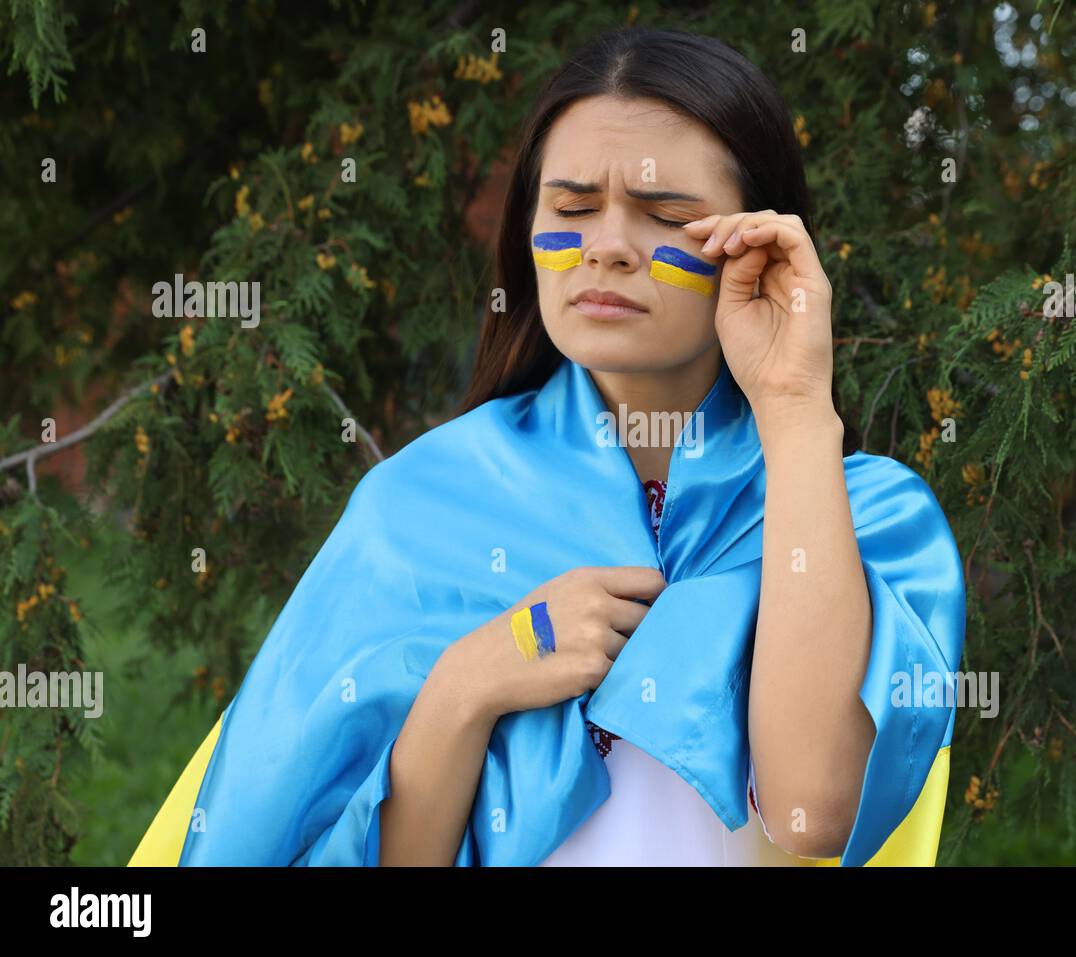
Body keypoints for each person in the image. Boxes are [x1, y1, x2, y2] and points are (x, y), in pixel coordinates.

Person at [129, 26, 965, 868]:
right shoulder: (418, 502)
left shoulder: (866, 520)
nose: (604, 244)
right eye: (570, 208)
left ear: (755, 243)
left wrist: (792, 408)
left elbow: (813, 815)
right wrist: (470, 681)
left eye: (665, 215)